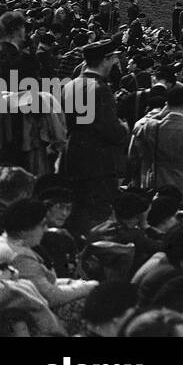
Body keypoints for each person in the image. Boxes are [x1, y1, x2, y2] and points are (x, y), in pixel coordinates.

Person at [60, 40, 130, 235]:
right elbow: (110, 130)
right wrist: (124, 128)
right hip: (98, 162)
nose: (115, 62)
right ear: (105, 60)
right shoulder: (100, 89)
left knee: (77, 212)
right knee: (98, 217)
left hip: (72, 155)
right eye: (113, 58)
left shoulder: (70, 85)